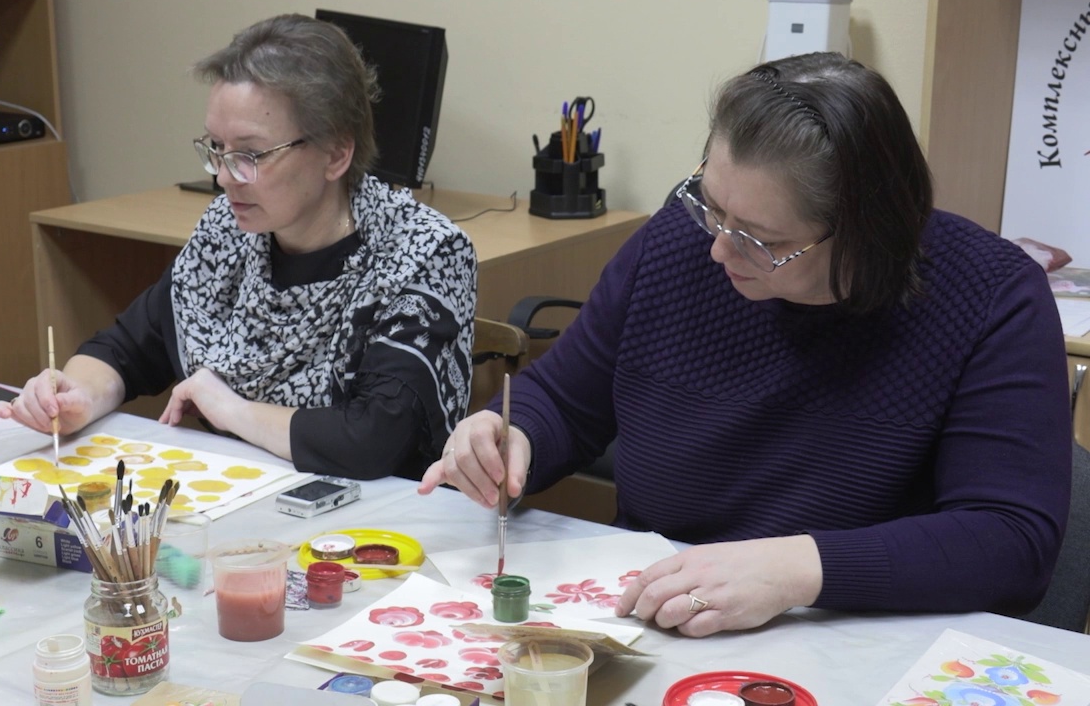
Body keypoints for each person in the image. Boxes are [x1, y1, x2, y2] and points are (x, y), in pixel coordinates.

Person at [419, 52, 1070, 636]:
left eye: (762, 239)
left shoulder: (989, 296)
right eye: (710, 204)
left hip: (849, 634)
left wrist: (800, 567)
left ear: (868, 234)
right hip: (653, 620)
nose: (718, 248)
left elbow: (1009, 539)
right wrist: (511, 433)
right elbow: (565, 397)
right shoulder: (679, 243)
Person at [0, 14, 476, 481]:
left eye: (249, 155)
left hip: (376, 533)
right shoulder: (231, 232)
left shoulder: (423, 253)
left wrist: (232, 410)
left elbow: (370, 441)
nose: (226, 177)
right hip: (247, 500)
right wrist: (74, 395)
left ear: (335, 153)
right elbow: (123, 349)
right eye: (216, 149)